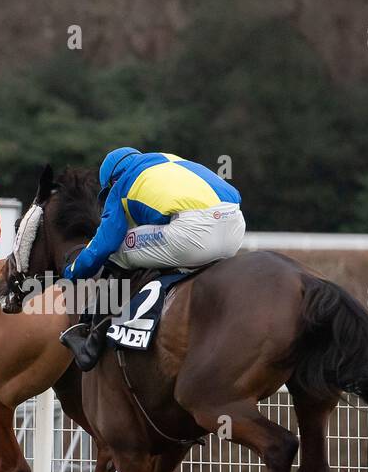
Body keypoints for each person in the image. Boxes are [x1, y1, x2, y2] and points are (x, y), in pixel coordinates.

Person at [59, 147, 244, 370]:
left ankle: (91, 338)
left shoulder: (121, 184)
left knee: (119, 249)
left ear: (112, 180)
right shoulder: (171, 160)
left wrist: (73, 271)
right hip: (235, 225)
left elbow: (105, 244)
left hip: (195, 231)